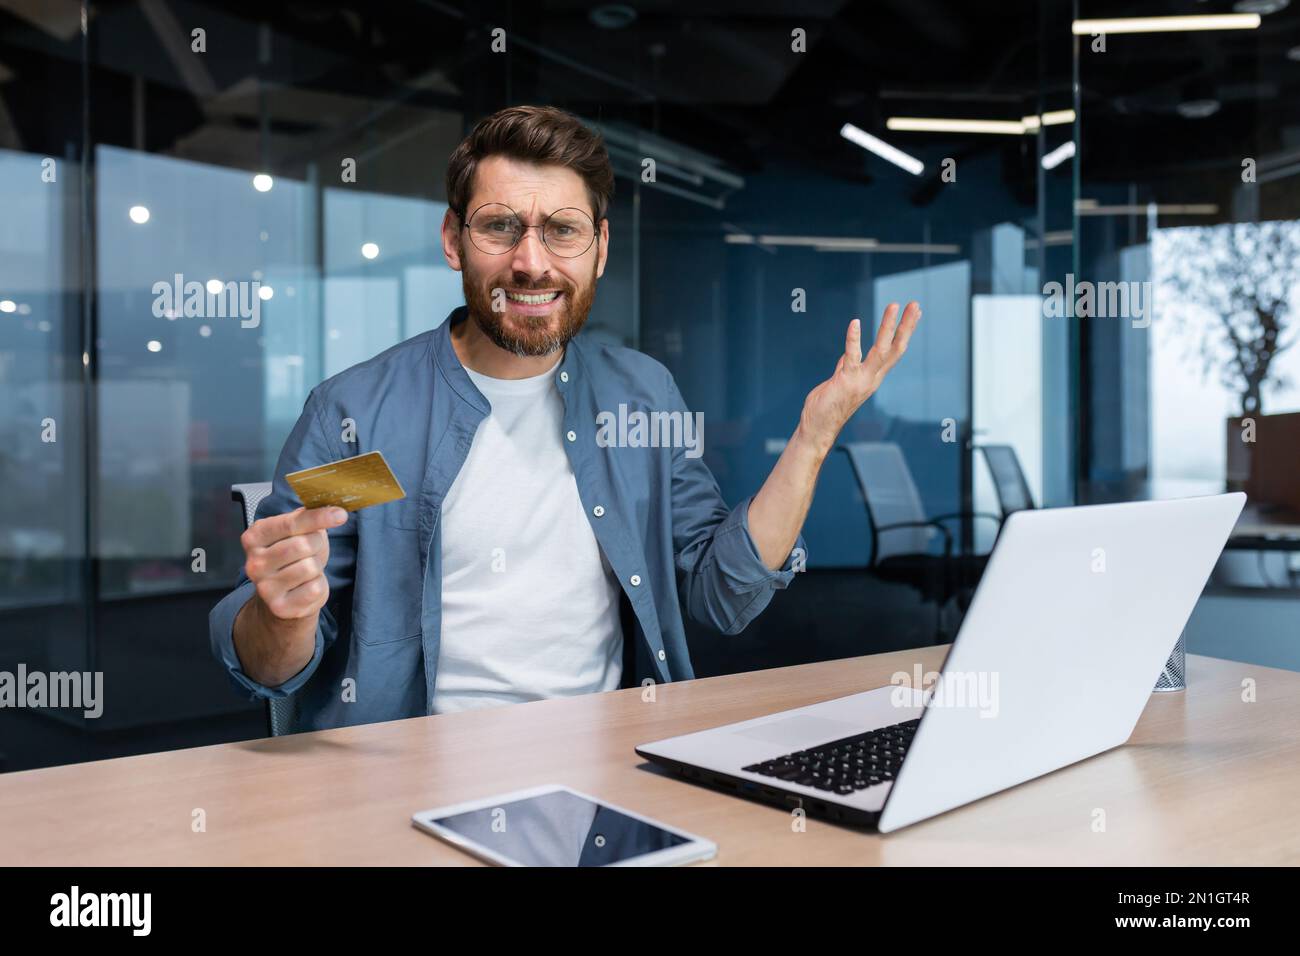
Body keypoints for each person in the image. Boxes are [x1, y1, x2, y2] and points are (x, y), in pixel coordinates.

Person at [210, 104, 920, 731]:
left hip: (616, 767)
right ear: (454, 240)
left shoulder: (640, 398)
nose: (530, 262)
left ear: (600, 249)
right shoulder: (361, 416)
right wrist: (284, 614)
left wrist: (814, 437)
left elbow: (722, 592)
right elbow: (271, 665)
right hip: (409, 784)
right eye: (499, 227)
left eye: (562, 231)